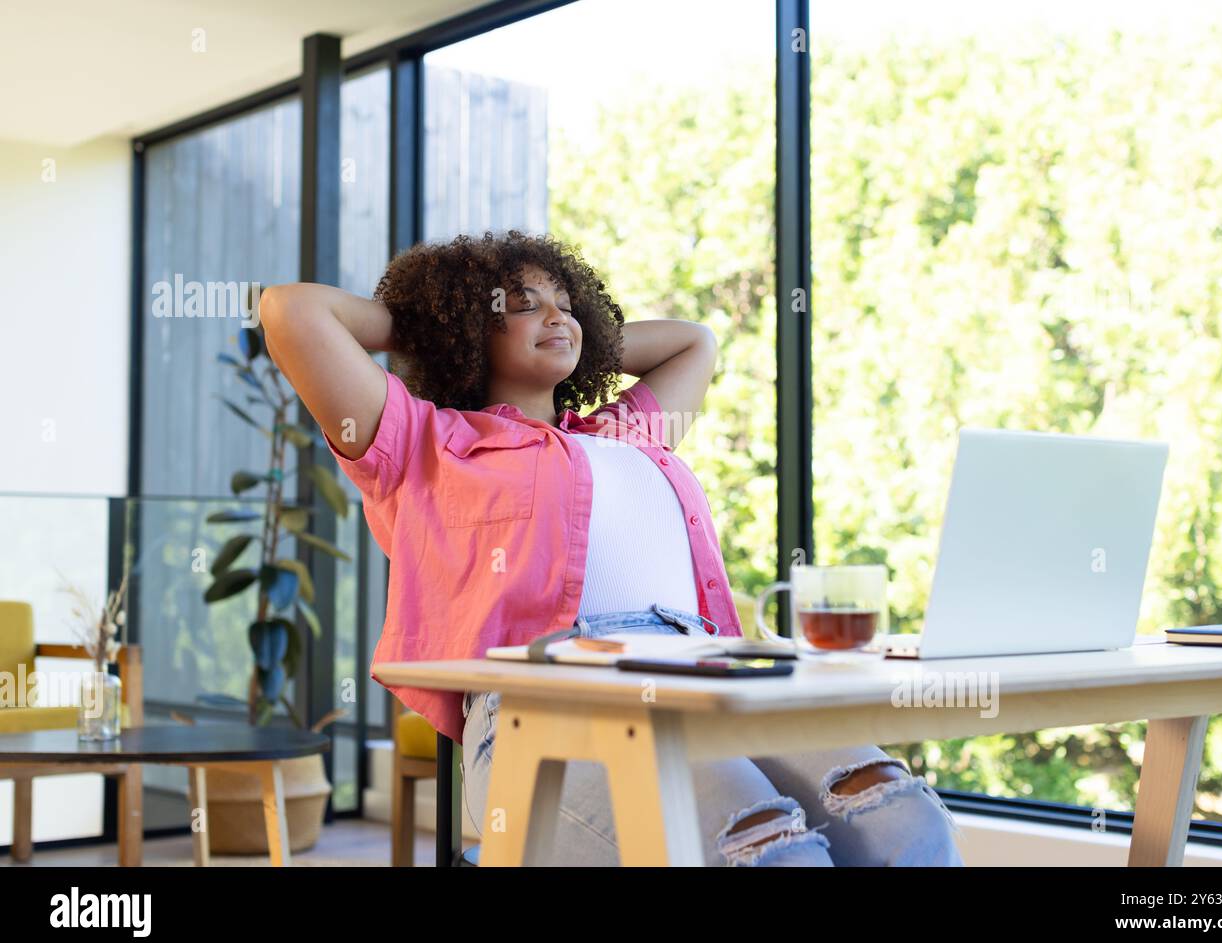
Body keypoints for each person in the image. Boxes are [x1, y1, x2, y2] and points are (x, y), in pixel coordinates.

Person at [260, 229, 963, 866]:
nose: (556, 316)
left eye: (566, 302)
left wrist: (579, 333)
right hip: (544, 706)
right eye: (524, 303)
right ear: (468, 325)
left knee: (907, 818)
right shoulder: (424, 443)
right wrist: (433, 322)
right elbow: (292, 312)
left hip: (705, 676)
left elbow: (696, 340)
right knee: (770, 850)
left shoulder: (621, 435)